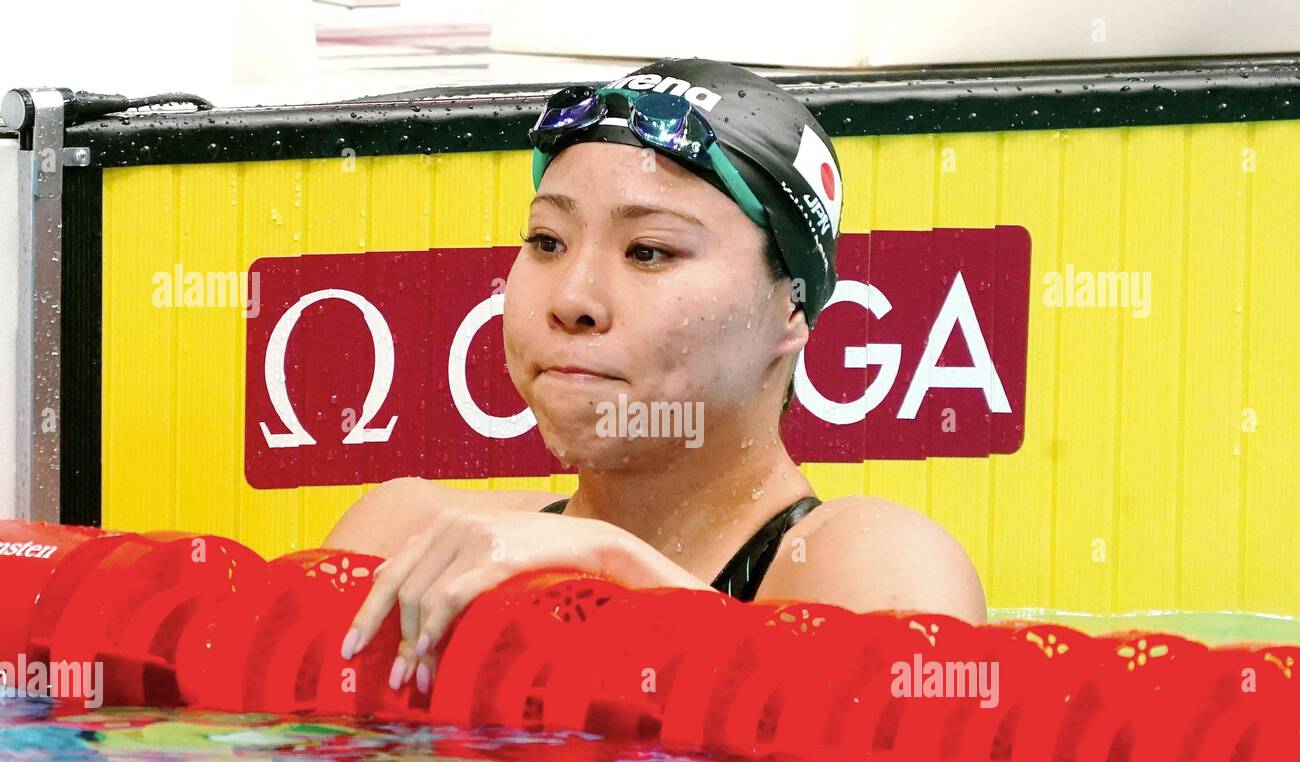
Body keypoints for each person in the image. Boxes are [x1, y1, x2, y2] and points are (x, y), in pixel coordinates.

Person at [325, 57, 987, 693]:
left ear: (791, 308)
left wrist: (611, 565)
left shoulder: (870, 566)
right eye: (547, 241)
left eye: (648, 251)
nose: (571, 299)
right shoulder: (405, 537)